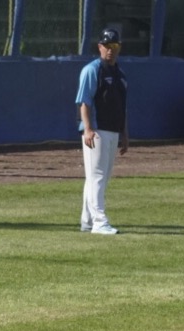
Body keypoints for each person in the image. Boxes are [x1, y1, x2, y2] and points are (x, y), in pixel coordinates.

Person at [76, 27, 129, 235]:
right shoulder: (92, 70)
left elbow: (123, 106)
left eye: (114, 46)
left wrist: (124, 133)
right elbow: (84, 102)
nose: (111, 50)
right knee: (97, 176)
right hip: (96, 130)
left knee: (100, 178)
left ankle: (87, 220)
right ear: (100, 47)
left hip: (113, 130)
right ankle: (100, 221)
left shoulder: (121, 75)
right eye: (107, 46)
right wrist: (88, 129)